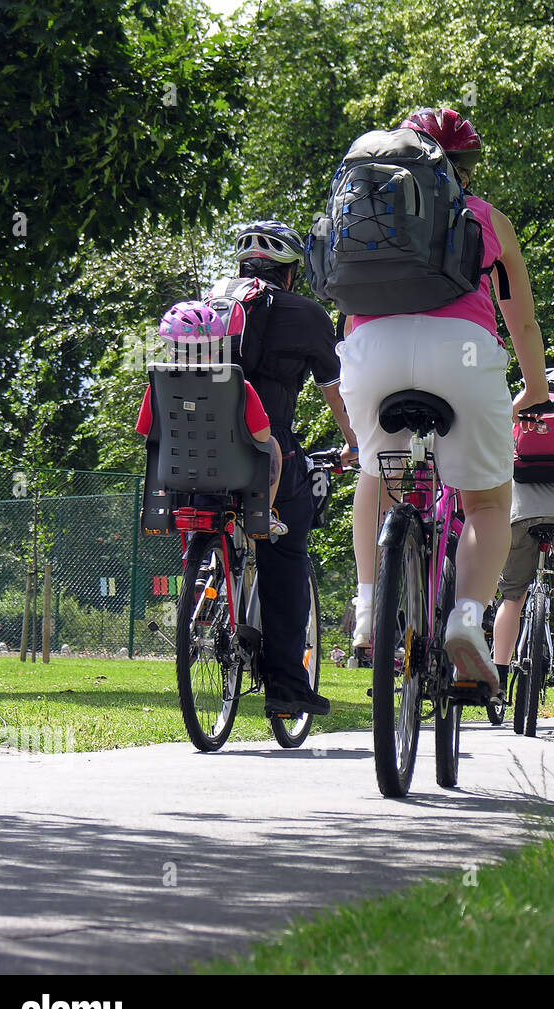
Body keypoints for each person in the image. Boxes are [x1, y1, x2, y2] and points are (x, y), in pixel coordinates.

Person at [338, 108, 549, 691]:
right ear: (465, 164)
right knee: (485, 502)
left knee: (379, 475)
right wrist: (535, 389)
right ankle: (465, 619)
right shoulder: (484, 217)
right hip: (461, 354)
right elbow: (523, 324)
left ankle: (367, 608)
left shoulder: (368, 210)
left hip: (368, 352)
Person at [209, 220, 358, 718]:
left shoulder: (207, 307)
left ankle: (207, 582)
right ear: (290, 273)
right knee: (286, 552)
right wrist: (355, 442)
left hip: (197, 453)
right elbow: (334, 390)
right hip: (268, 454)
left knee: (210, 517)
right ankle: (287, 685)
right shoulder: (308, 315)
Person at [491, 367, 554, 699]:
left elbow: (499, 477)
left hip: (520, 515)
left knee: (511, 598)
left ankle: (497, 677)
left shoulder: (513, 427)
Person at [137, 301, 283, 518]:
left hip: (174, 475)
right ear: (216, 349)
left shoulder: (157, 386)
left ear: (171, 349)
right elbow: (261, 436)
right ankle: (264, 515)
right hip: (232, 474)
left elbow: (147, 433)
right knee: (273, 445)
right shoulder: (237, 385)